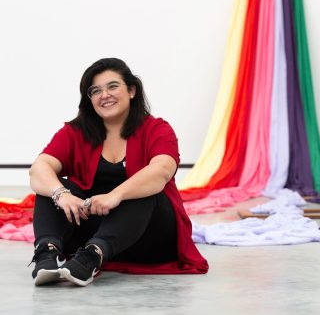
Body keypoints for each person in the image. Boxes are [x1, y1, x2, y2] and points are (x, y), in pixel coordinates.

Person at [29, 57, 208, 286]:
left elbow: (161, 170)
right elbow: (39, 169)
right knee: (53, 186)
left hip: (149, 236)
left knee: (144, 189)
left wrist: (117, 195)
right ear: (89, 99)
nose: (104, 95)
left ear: (132, 90)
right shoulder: (75, 132)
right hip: (94, 228)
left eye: (113, 86)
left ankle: (93, 256)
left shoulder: (157, 129)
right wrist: (61, 194)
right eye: (95, 91)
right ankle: (47, 255)